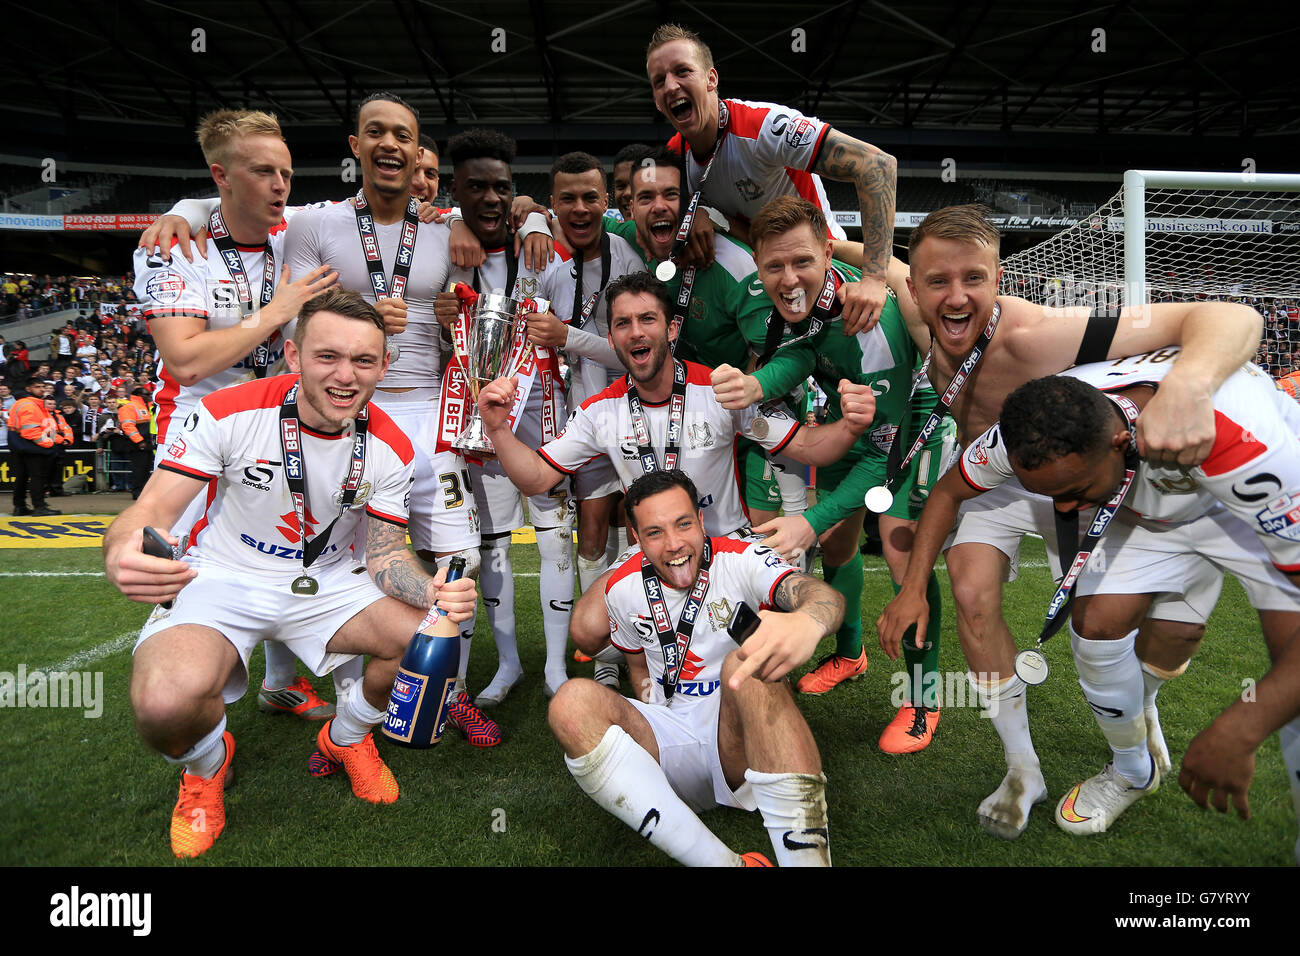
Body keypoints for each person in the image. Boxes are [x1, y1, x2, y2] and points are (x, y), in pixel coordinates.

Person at [876, 204, 1264, 839]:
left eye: (974, 277)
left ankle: (1143, 714)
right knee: (971, 594)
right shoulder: (923, 313)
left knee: (1122, 630)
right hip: (991, 473)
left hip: (1074, 479)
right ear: (914, 288)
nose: (956, 295)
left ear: (999, 277)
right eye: (936, 281)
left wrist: (1191, 385)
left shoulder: (1041, 337)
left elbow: (1223, 316)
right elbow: (873, 259)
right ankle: (1022, 768)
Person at [103, 289, 478, 858]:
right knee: (163, 706)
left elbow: (382, 555)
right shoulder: (227, 411)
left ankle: (346, 738)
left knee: (430, 637)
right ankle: (206, 768)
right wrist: (121, 548)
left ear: (384, 365)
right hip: (224, 576)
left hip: (326, 583)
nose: (345, 376)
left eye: (363, 360)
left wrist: (430, 590)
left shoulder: (393, 447)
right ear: (294, 355)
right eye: (327, 356)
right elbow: (152, 509)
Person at [927, 370, 1300, 841]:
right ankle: (1131, 770)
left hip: (1229, 510)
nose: (1064, 510)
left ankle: (1144, 705)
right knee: (1097, 625)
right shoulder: (1040, 424)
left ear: (1121, 442)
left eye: (1075, 490)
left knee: (1182, 638)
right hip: (1147, 511)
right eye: (1051, 494)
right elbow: (951, 488)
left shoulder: (1254, 452)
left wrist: (1244, 726)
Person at [284, 96, 502, 745]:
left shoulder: (446, 234)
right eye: (375, 132)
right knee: (352, 556)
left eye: (401, 136)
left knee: (456, 552)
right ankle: (358, 701)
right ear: (356, 145)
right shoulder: (315, 224)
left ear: (416, 153)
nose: (388, 144)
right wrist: (365, 312)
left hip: (433, 410)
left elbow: (469, 316)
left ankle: (448, 689)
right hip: (353, 413)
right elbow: (296, 314)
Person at [715, 197, 957, 752]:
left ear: (827, 250)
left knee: (900, 553)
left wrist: (808, 520)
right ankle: (850, 654)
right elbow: (801, 355)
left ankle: (922, 697)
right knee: (838, 545)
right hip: (853, 414)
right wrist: (758, 386)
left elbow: (882, 454)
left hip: (908, 421)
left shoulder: (870, 325)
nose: (788, 278)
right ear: (757, 267)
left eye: (801, 261)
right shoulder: (772, 300)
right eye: (774, 266)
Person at [549, 469, 841, 866]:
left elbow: (818, 594)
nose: (674, 545)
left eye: (683, 524)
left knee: (747, 661)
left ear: (701, 521)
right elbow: (637, 666)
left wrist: (809, 620)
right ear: (636, 539)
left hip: (736, 737)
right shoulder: (621, 588)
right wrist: (647, 689)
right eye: (654, 533)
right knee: (569, 703)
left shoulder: (742, 557)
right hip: (668, 735)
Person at [433, 128, 571, 703]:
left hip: (544, 417)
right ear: (454, 193)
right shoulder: (437, 248)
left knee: (555, 542)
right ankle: (509, 663)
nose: (491, 199)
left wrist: (535, 214)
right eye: (476, 188)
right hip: (478, 421)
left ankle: (557, 668)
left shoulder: (541, 243)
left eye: (503, 188)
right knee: (491, 546)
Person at [646, 23, 896, 331]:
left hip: (821, 273)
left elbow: (877, 166)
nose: (671, 86)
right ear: (658, 101)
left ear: (711, 79)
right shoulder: (673, 158)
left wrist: (874, 279)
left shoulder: (765, 127)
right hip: (763, 278)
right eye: (660, 81)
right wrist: (693, 210)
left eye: (682, 71)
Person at [7, 379, 60, 516]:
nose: (42, 389)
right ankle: (39, 506)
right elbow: (30, 430)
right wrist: (48, 443)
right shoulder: (31, 405)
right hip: (31, 445)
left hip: (19, 443)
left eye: (43, 386)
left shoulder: (25, 403)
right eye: (37, 387)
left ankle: (19, 506)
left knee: (22, 476)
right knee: (37, 476)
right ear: (28, 388)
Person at [116, 386, 153, 500]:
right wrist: (139, 441)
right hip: (137, 443)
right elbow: (128, 426)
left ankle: (143, 492)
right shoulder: (129, 407)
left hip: (147, 442)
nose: (149, 396)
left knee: (146, 469)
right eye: (147, 394)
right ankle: (137, 492)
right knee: (139, 469)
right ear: (139, 395)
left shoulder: (148, 406)